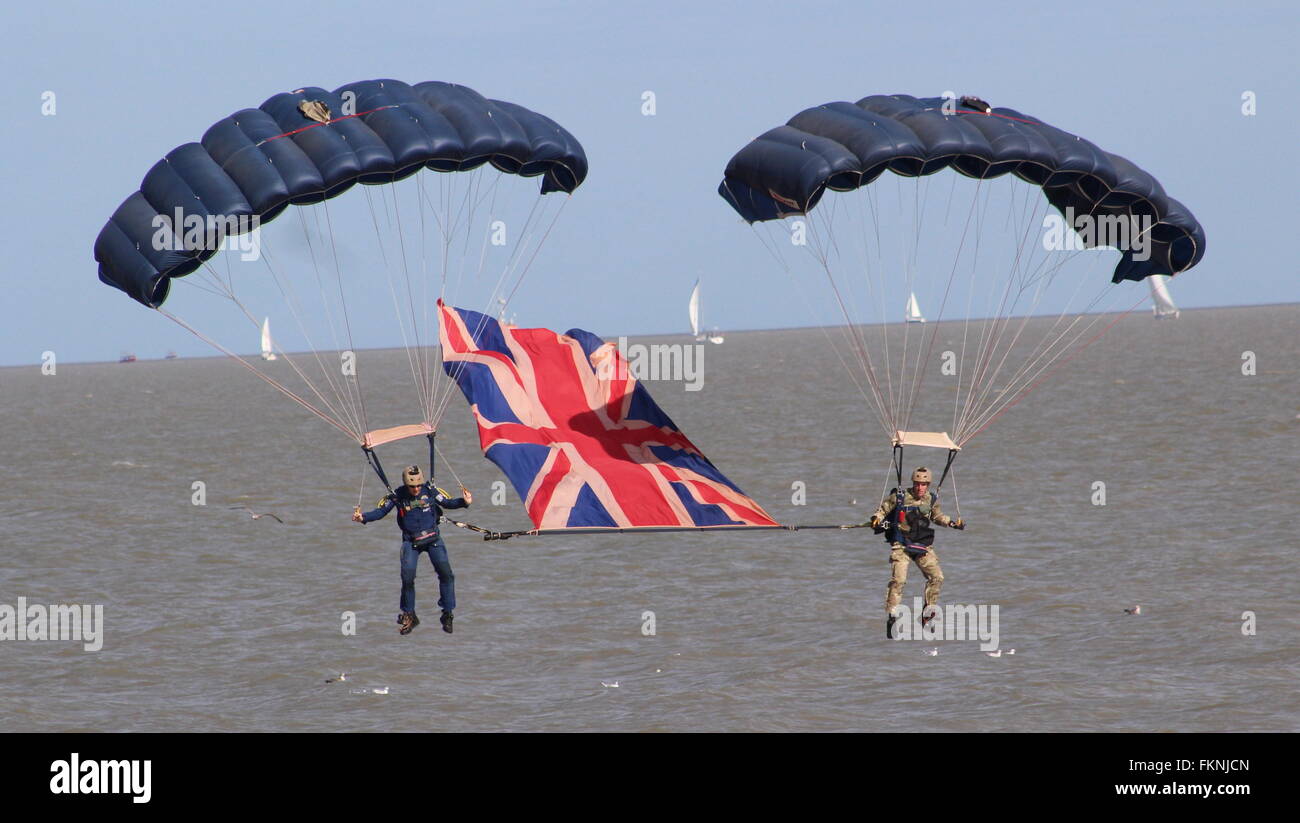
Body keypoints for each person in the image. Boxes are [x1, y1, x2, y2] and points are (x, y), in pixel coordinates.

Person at [353, 465, 472, 636]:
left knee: (446, 574)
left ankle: (447, 613)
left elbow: (447, 503)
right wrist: (362, 517)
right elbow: (380, 512)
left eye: (418, 485)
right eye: (412, 486)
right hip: (411, 542)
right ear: (406, 484)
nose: (416, 489)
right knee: (407, 577)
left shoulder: (430, 490)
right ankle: (410, 614)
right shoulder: (398, 495)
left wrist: (464, 502)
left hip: (433, 540)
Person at [868, 467, 966, 639]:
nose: (920, 488)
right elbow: (882, 510)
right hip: (901, 545)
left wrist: (952, 523)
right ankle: (892, 617)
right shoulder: (899, 497)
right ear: (913, 483)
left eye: (924, 485)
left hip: (921, 544)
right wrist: (876, 519)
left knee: (937, 577)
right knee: (899, 580)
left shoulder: (931, 499)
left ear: (928, 485)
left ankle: (927, 616)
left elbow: (937, 516)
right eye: (917, 484)